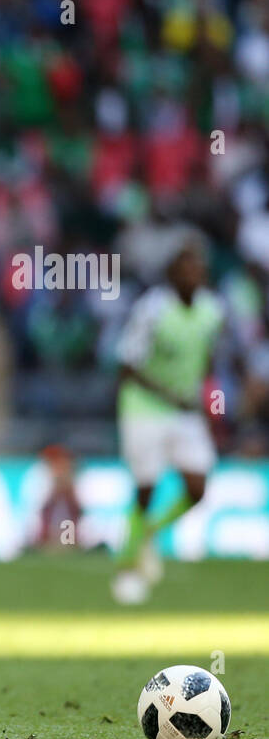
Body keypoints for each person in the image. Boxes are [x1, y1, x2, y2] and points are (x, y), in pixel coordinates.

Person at [112, 229, 230, 604]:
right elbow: (127, 366)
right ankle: (127, 568)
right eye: (185, 265)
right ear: (171, 272)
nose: (192, 271)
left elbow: (207, 356)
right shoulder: (152, 308)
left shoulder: (213, 310)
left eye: (197, 265)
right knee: (146, 488)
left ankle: (149, 533)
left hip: (185, 409)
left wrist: (209, 398)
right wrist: (173, 396)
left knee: (197, 488)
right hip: (145, 406)